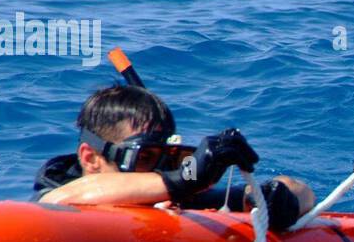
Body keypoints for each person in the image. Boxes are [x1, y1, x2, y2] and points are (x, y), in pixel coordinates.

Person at [34, 85, 314, 230]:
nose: (156, 171)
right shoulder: (57, 197)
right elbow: (57, 200)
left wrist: (270, 197)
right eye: (145, 158)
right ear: (91, 158)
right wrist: (184, 177)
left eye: (169, 160)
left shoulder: (180, 199)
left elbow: (300, 191)